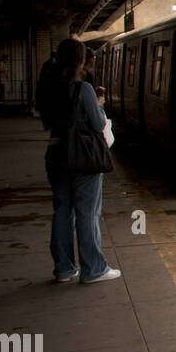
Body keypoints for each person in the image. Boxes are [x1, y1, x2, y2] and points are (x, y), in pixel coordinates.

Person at [41, 37, 121, 285]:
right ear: (81, 61)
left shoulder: (49, 86)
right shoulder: (83, 88)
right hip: (82, 157)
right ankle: (93, 269)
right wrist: (98, 105)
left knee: (62, 210)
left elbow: (46, 121)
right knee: (87, 212)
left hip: (55, 154)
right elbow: (97, 125)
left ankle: (64, 269)